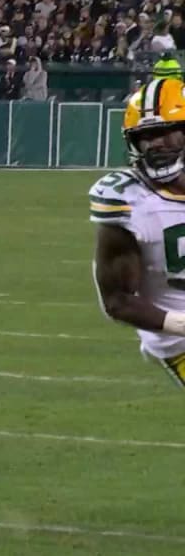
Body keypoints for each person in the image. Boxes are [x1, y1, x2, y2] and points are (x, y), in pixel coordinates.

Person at [91, 78, 185, 386]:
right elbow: (117, 300)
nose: (153, 144)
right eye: (144, 137)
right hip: (179, 341)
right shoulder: (130, 201)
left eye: (162, 133)